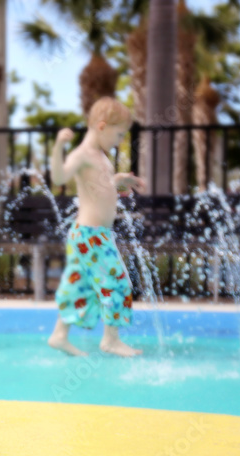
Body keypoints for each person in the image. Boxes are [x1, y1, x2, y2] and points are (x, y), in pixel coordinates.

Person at [47, 97, 146, 358]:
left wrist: (117, 181)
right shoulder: (81, 155)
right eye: (119, 134)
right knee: (118, 282)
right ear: (102, 126)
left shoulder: (100, 157)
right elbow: (59, 177)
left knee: (79, 285)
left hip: (89, 236)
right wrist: (58, 146)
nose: (120, 141)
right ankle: (111, 340)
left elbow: (99, 188)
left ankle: (59, 335)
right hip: (91, 235)